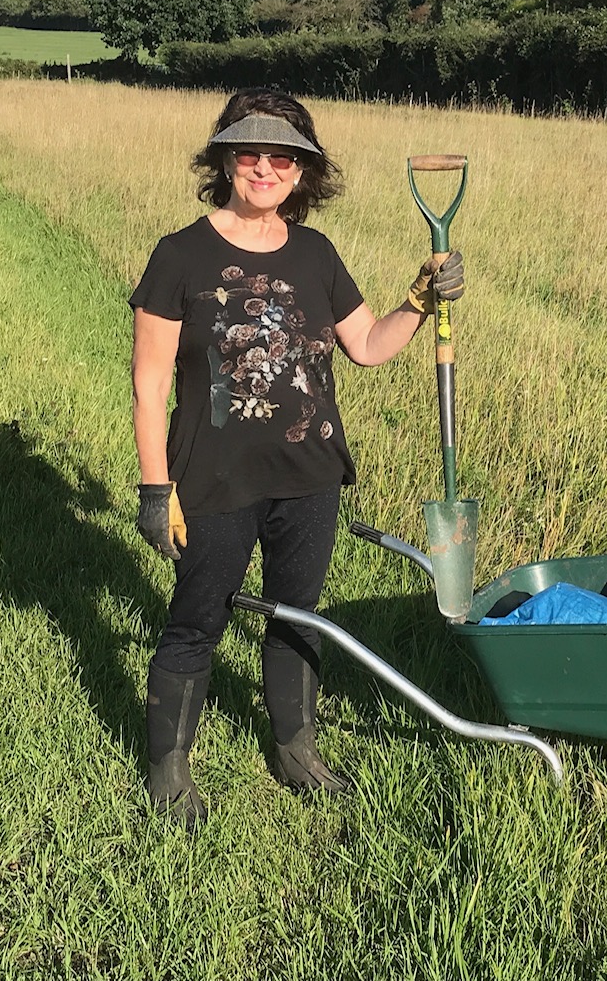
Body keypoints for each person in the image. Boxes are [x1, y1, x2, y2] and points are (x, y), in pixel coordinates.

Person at [129, 87, 462, 830]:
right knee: (196, 620)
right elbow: (150, 381)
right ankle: (169, 770)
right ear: (226, 158)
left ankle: (295, 749)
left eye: (283, 155)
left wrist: (419, 298)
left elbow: (369, 348)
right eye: (249, 152)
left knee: (296, 615)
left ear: (304, 171)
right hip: (211, 480)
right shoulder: (179, 255)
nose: (265, 167)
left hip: (311, 476)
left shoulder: (315, 253)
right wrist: (158, 487)